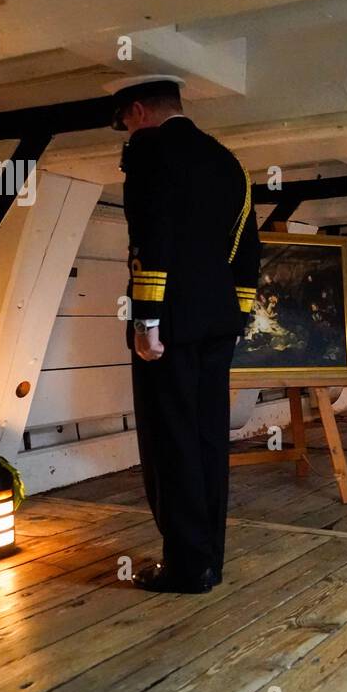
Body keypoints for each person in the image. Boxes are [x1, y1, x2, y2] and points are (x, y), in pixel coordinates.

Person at [108, 74, 261, 593]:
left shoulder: (149, 152)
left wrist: (146, 320)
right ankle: (208, 558)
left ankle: (186, 566)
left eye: (124, 122)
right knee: (207, 439)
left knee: (170, 441)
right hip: (218, 320)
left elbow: (151, 237)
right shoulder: (228, 161)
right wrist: (237, 316)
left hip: (169, 321)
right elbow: (246, 249)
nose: (125, 132)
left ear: (137, 111)